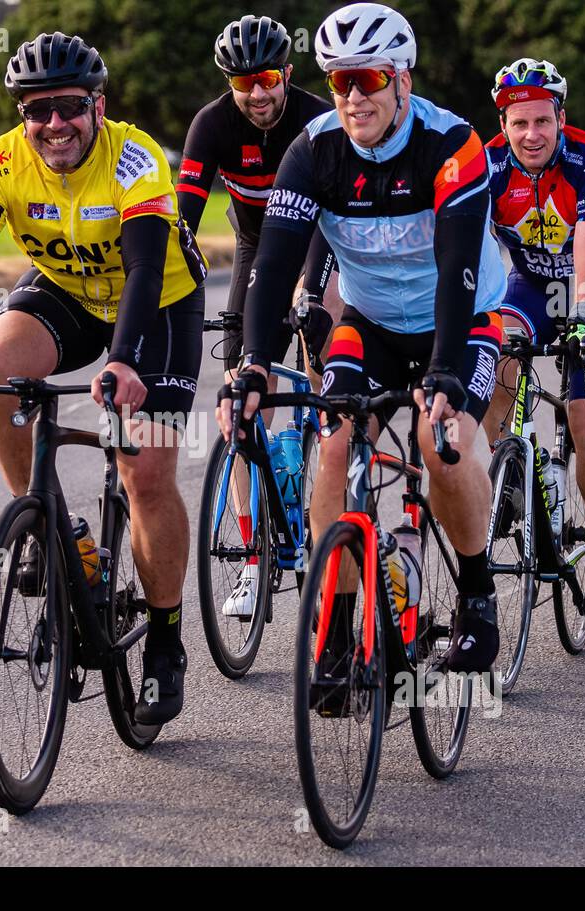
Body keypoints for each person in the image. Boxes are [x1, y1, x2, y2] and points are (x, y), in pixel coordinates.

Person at [0, 33, 207, 723]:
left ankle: (163, 640)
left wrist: (123, 359)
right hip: (69, 291)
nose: (54, 124)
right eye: (37, 110)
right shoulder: (1, 161)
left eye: (69, 106)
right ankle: (52, 528)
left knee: (146, 468)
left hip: (155, 304)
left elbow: (142, 268)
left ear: (97, 105)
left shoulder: (134, 159)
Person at [217, 3, 509, 676]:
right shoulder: (313, 150)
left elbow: (459, 268)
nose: (353, 96)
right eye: (339, 80)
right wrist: (255, 364)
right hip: (371, 324)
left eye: (369, 79)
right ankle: (342, 632)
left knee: (446, 445)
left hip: (459, 319)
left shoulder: (452, 144)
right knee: (335, 447)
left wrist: (441, 375)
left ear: (403, 79)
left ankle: (476, 594)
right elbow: (274, 266)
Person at [179, 14, 342, 617]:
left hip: (320, 242)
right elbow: (183, 226)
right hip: (255, 249)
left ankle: (332, 510)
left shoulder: (314, 119)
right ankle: (253, 557)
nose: (257, 93)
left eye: (268, 78)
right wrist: (173, 290)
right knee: (240, 396)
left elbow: (327, 222)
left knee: (325, 363)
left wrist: (309, 291)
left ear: (288, 74)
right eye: (242, 82)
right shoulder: (210, 125)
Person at [483, 57, 585, 622]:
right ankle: (511, 472)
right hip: (530, 284)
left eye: (542, 121)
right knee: (494, 356)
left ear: (560, 119)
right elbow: (466, 248)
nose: (532, 135)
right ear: (503, 125)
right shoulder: (489, 167)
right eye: (519, 123)